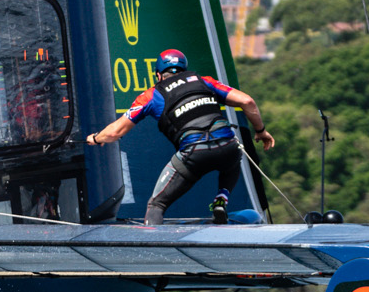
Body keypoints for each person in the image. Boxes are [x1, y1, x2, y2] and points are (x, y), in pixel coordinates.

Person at [84, 49, 276, 225]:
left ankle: (152, 250)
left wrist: (95, 138)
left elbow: (115, 132)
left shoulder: (152, 95)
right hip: (227, 146)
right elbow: (247, 101)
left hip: (194, 153)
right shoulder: (204, 81)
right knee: (232, 156)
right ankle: (221, 199)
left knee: (156, 205)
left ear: (158, 75)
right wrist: (261, 131)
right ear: (184, 69)